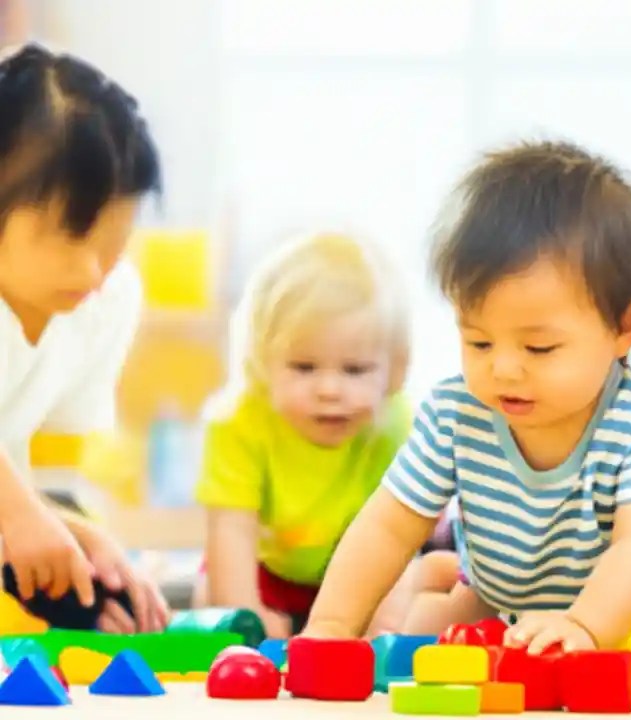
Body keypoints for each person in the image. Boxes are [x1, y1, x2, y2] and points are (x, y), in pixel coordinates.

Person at [301, 141, 631, 660]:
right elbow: (388, 522)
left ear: (626, 326)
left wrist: (585, 626)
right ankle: (442, 580)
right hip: (504, 597)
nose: (503, 368)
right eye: (478, 341)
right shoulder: (455, 412)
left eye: (539, 347)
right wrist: (330, 626)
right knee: (419, 637)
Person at [0, 42, 169, 633]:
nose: (92, 272)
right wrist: (19, 514)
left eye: (113, 241)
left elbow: (38, 478)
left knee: (87, 600)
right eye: (72, 237)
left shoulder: (107, 300)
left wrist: (80, 534)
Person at [194, 232, 430, 637]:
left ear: (394, 369)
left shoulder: (397, 427)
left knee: (419, 600)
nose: (329, 390)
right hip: (268, 571)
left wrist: (382, 624)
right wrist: (245, 617)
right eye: (304, 367)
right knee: (210, 605)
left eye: (355, 370)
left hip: (361, 574)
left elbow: (402, 538)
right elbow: (231, 531)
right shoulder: (239, 422)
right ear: (262, 363)